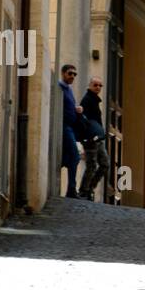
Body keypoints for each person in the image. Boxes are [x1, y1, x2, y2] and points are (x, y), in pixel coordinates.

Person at [78, 74, 110, 201]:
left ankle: (89, 188)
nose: (98, 87)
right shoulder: (87, 100)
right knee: (91, 165)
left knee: (105, 164)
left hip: (98, 138)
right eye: (95, 85)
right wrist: (86, 138)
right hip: (91, 138)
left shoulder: (95, 100)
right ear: (90, 86)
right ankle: (84, 191)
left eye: (100, 85)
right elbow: (82, 120)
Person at [59, 63, 83, 199]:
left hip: (70, 128)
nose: (72, 76)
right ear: (63, 73)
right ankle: (72, 190)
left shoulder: (68, 89)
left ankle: (71, 189)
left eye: (74, 74)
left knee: (69, 158)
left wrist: (76, 109)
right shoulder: (60, 87)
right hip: (65, 127)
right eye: (70, 73)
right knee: (74, 156)